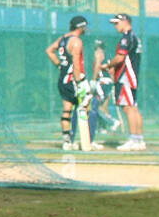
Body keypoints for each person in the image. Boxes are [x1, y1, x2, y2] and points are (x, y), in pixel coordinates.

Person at [44, 15, 98, 150]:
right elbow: (76, 63)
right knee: (87, 107)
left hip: (63, 79)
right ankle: (88, 140)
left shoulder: (62, 39)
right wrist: (80, 81)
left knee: (67, 110)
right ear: (81, 27)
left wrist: (59, 65)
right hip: (74, 80)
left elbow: (49, 50)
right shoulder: (76, 41)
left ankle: (67, 141)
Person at [105, 13, 145, 150]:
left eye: (117, 23)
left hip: (125, 77)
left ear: (125, 21)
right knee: (133, 107)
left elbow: (120, 57)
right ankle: (139, 140)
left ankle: (134, 139)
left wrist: (108, 65)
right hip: (131, 76)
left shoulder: (127, 38)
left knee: (128, 108)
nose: (115, 26)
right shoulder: (135, 37)